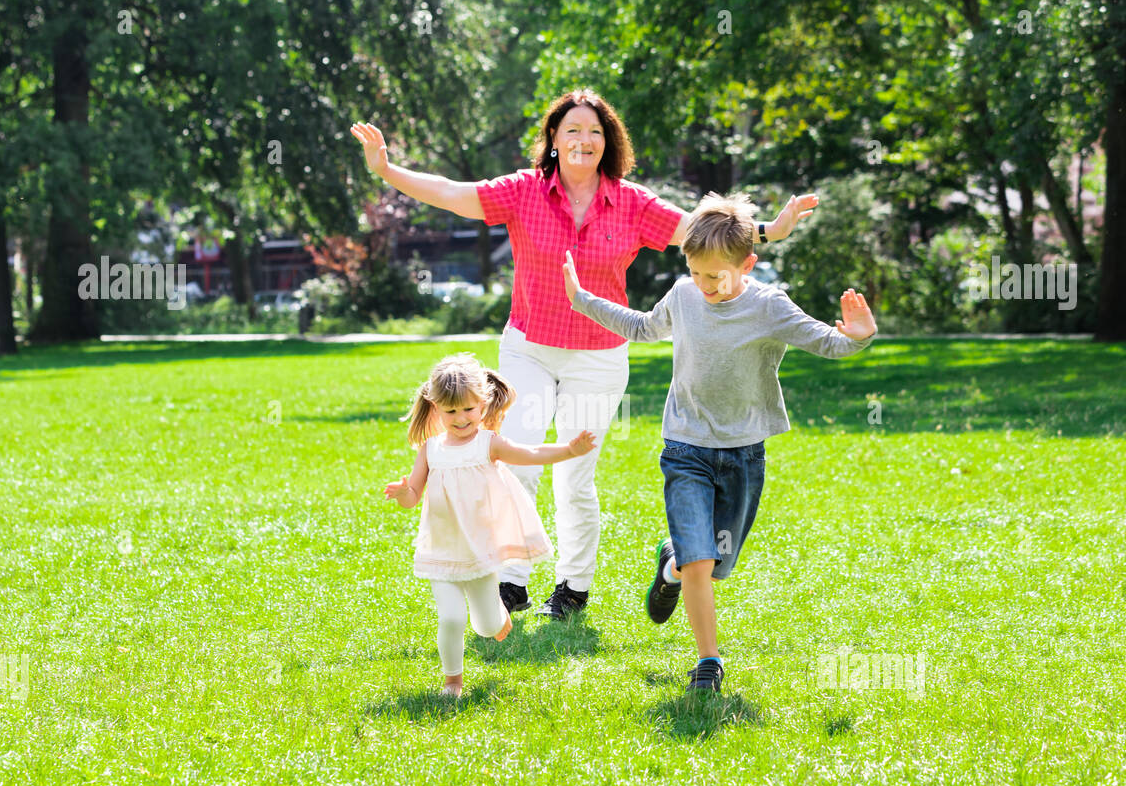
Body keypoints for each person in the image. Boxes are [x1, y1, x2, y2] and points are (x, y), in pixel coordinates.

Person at [352, 89, 818, 622]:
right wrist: (387, 170)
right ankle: (512, 582)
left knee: (574, 476)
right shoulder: (523, 191)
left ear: (607, 142)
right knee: (516, 459)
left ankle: (573, 587)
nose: (583, 140)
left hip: (599, 355)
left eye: (594, 132)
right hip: (529, 345)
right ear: (553, 139)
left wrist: (770, 231)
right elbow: (455, 194)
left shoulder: (631, 201)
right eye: (571, 130)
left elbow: (707, 232)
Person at [561, 193, 877, 692]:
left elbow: (829, 342)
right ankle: (708, 661)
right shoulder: (684, 296)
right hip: (684, 448)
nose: (705, 286)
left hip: (743, 455)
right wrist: (582, 298)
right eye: (698, 274)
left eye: (717, 277)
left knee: (714, 563)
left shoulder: (769, 307)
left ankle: (672, 564)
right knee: (702, 562)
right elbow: (642, 327)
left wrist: (858, 336)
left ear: (748, 263)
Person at [383, 353, 596, 696]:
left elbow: (532, 454)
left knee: (486, 627)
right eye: (450, 411)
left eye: (468, 409)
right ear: (435, 408)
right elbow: (414, 497)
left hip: (480, 552)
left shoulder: (489, 443)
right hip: (441, 549)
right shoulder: (430, 449)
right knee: (451, 618)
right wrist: (403, 492)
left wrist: (569, 450)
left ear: (482, 405)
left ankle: (499, 617)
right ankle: (453, 681)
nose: (461, 418)